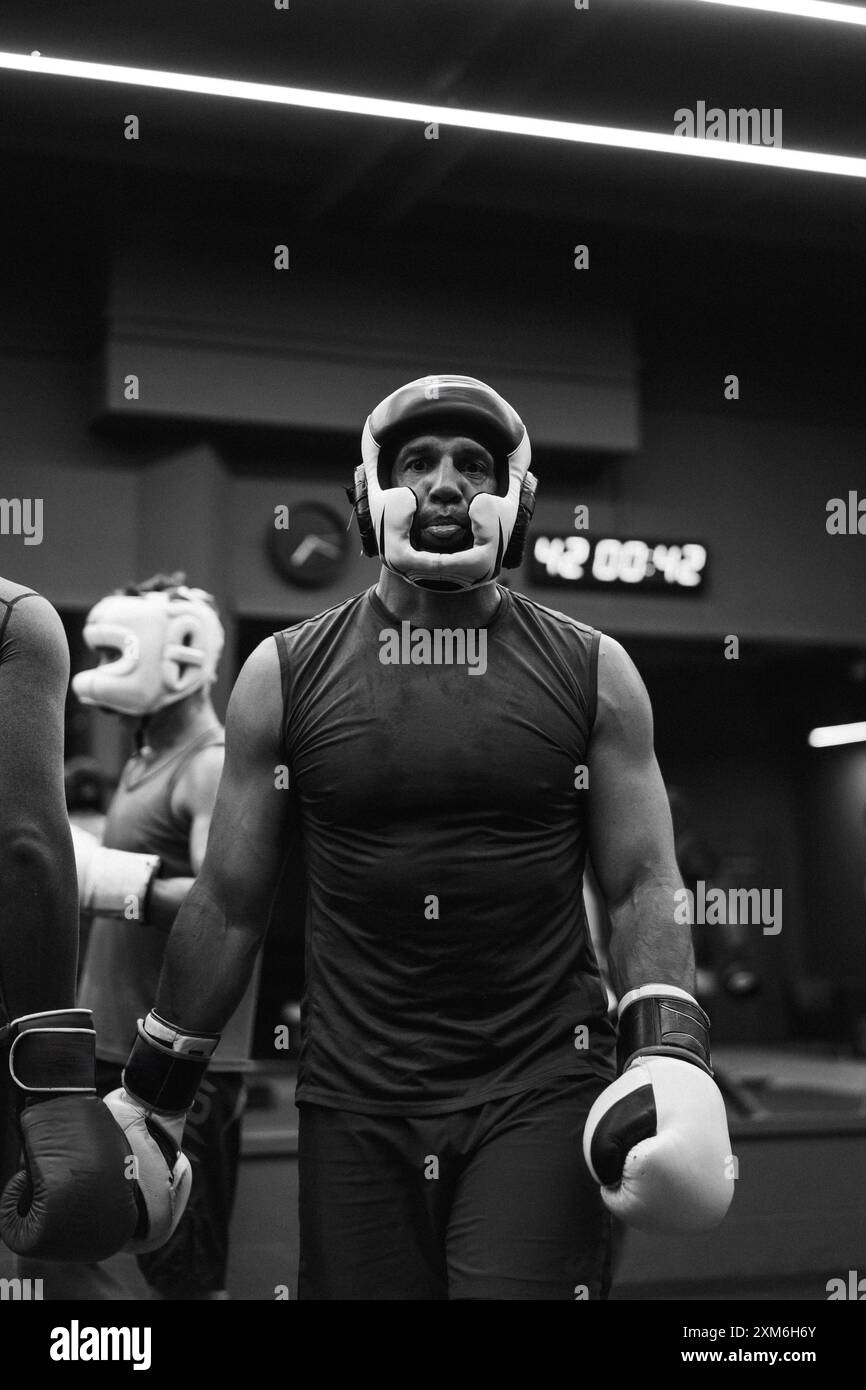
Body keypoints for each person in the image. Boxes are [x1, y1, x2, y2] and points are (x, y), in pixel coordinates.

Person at [96, 376, 734, 1300]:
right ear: (371, 492)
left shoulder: (597, 672)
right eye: (418, 463)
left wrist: (671, 1050)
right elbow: (229, 903)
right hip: (355, 1094)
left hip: (541, 1078)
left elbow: (641, 881)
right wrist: (153, 1094)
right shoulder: (283, 675)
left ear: (514, 502)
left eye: (473, 466)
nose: (445, 484)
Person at [24, 573, 259, 1299]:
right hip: (103, 1050)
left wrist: (106, 878)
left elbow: (229, 898)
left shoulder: (210, 765)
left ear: (183, 654)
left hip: (179, 1066)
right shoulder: (141, 757)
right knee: (57, 1245)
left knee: (181, 1272)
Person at [0, 577, 138, 1261]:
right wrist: (51, 1078)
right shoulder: (14, 618)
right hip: (77, 1029)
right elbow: (26, 851)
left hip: (136, 1029)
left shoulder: (205, 764)